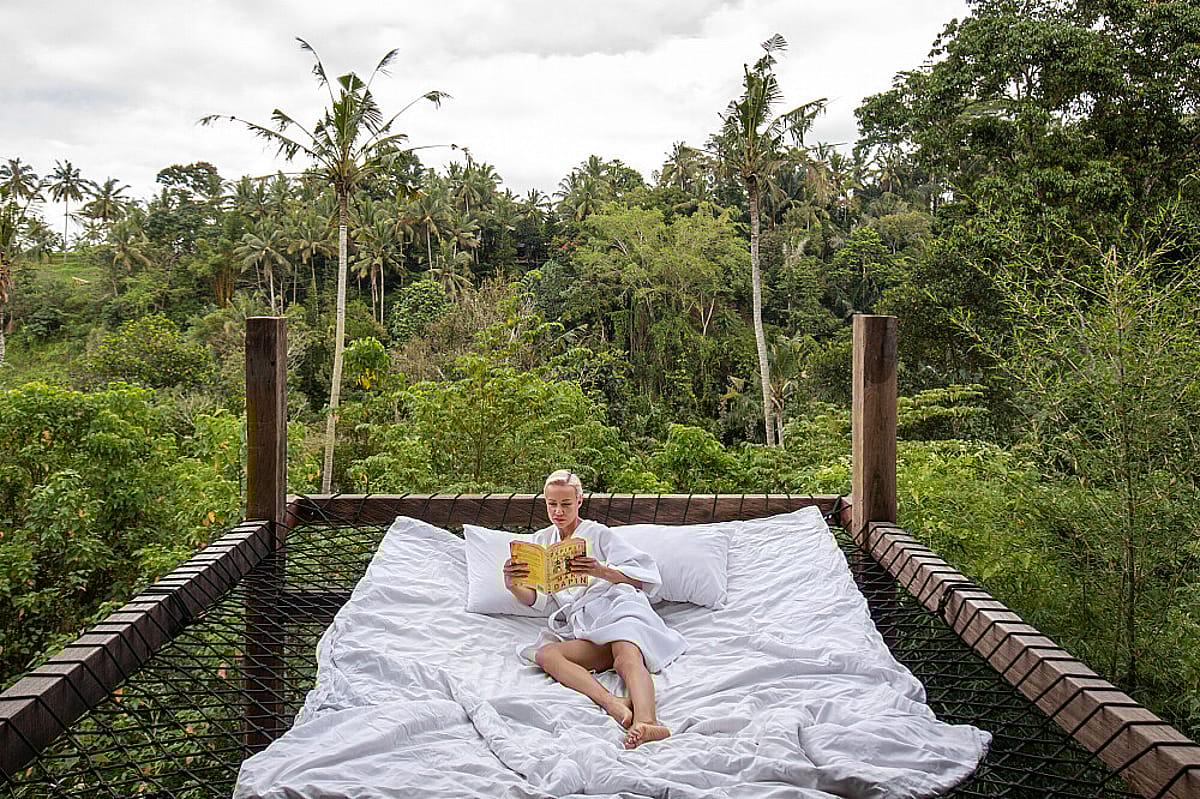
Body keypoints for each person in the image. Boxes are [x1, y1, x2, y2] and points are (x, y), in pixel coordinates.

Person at [503, 470, 686, 749]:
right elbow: (538, 601)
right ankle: (613, 703)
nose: (558, 511)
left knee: (626, 659)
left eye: (565, 504)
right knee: (547, 654)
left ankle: (648, 722)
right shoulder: (541, 541)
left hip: (619, 606)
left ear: (579, 501)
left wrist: (602, 571)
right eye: (552, 504)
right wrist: (512, 585)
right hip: (586, 622)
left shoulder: (597, 533)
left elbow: (645, 578)